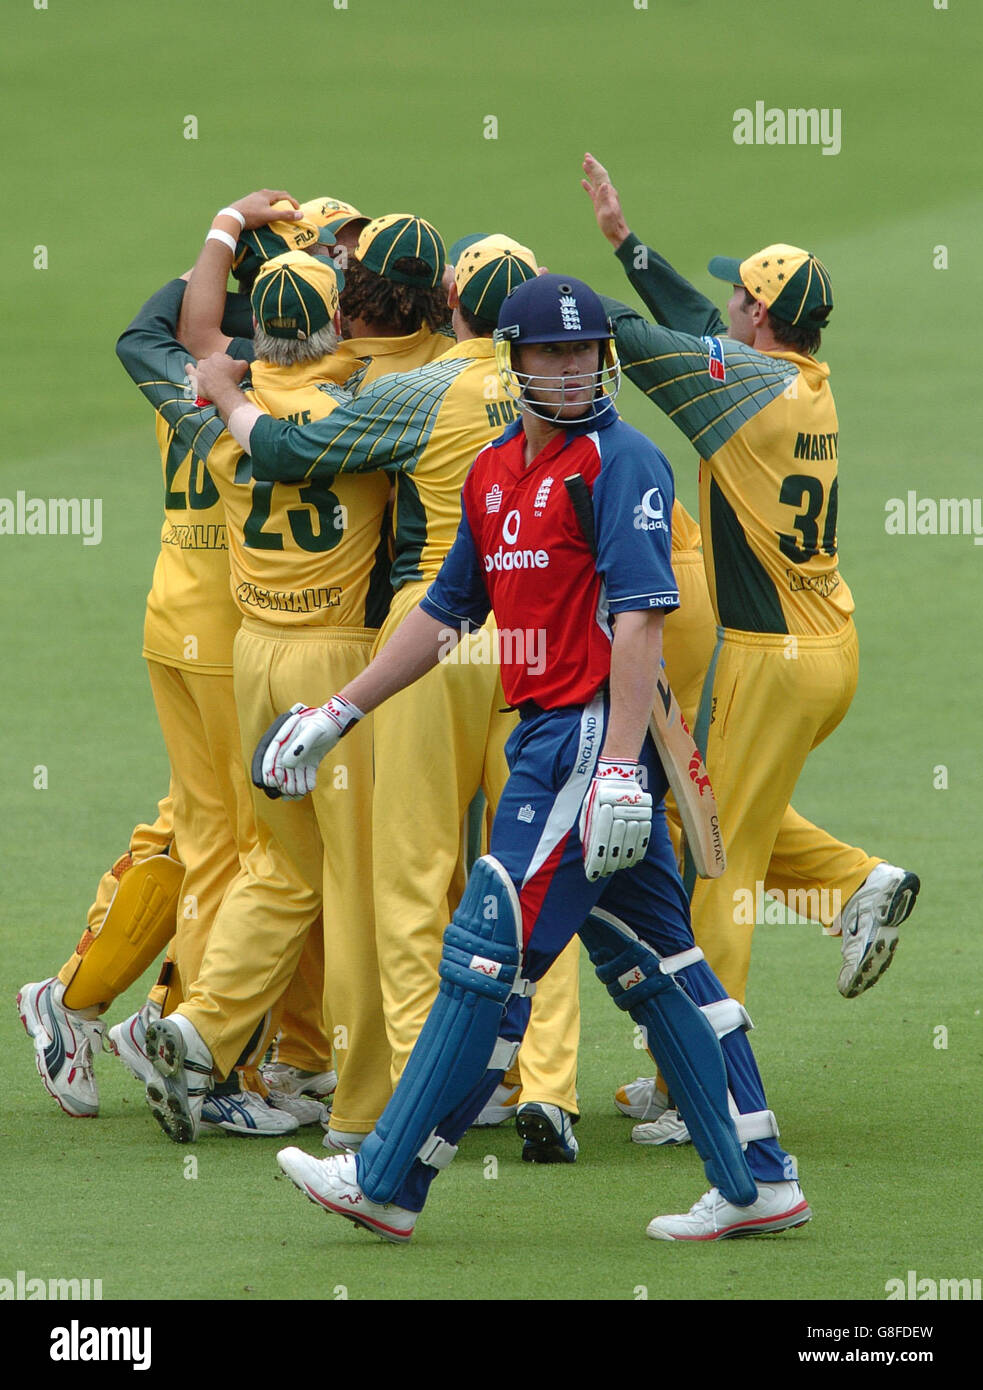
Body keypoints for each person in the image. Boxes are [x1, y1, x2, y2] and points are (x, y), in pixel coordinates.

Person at [250, 272, 811, 1242]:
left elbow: (637, 620)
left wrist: (621, 767)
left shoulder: (620, 463)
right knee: (660, 967)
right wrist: (338, 710)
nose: (568, 369)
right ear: (513, 364)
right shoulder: (491, 472)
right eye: (548, 354)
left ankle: (385, 1176)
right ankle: (756, 1177)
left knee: (483, 948)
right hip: (547, 734)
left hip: (587, 736)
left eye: (582, 352)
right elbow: (442, 610)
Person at [194, 236, 585, 1163]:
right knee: (536, 870)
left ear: (454, 299)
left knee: (410, 873)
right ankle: (550, 1088)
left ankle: (423, 1092)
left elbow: (291, 448)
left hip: (440, 632)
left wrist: (227, 390)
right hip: (547, 638)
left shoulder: (429, 389)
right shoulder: (569, 401)